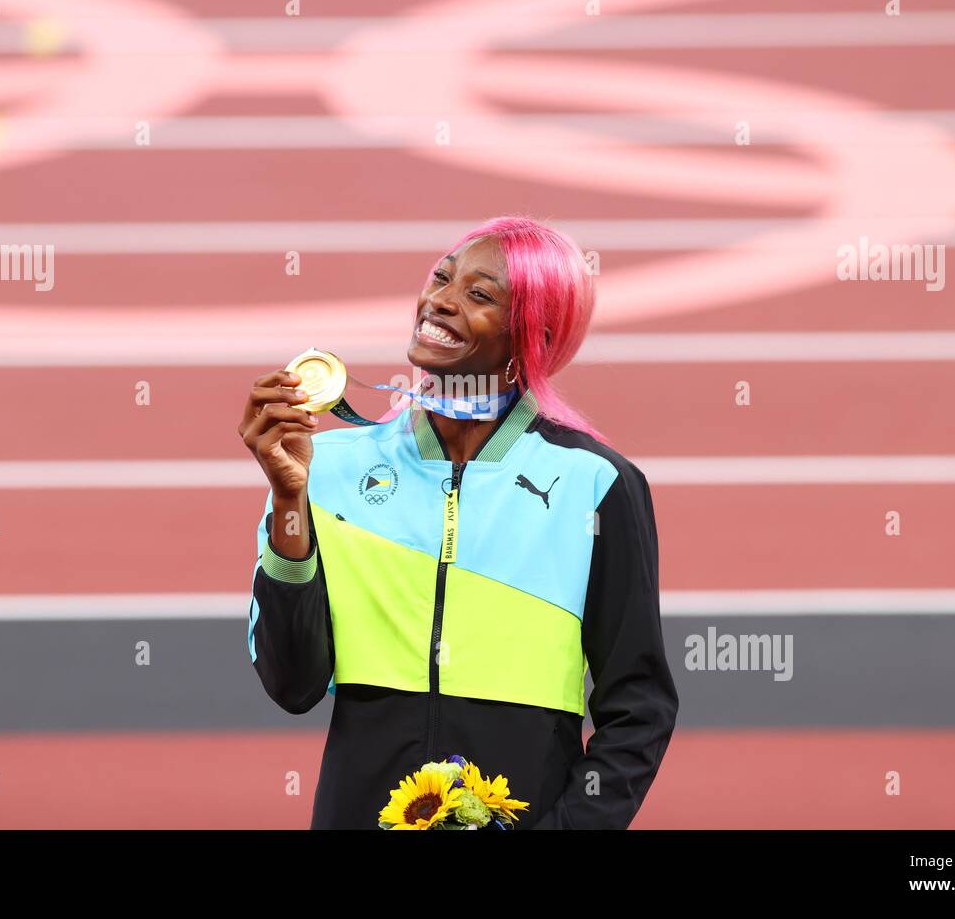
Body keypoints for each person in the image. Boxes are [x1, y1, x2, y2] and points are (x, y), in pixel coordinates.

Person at [238, 215, 679, 829]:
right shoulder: (323, 469)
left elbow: (639, 707)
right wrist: (289, 504)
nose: (439, 302)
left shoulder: (596, 485)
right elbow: (292, 686)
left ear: (533, 333)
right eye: (441, 279)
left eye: (478, 294)